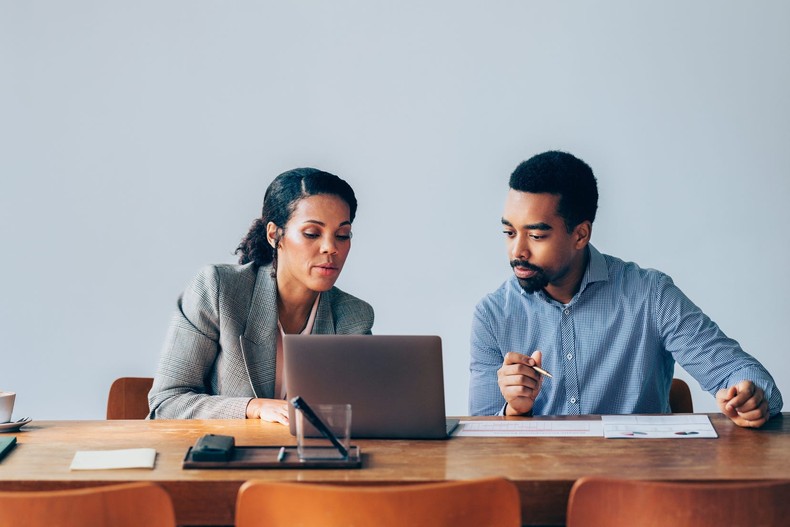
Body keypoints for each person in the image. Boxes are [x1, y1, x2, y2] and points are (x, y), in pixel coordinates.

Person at [468, 150, 782, 428]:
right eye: (509, 232)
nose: (517, 251)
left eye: (536, 236)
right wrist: (514, 410)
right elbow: (479, 436)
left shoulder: (650, 295)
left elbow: (741, 372)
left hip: (640, 486)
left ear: (580, 235)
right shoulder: (493, 314)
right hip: (542, 485)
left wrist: (749, 396)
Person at [149, 167, 374, 422]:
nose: (330, 248)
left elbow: (359, 413)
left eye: (342, 235)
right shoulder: (219, 289)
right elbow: (166, 404)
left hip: (309, 459)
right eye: (312, 233)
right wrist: (253, 408)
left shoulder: (354, 315)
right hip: (224, 455)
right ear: (274, 235)